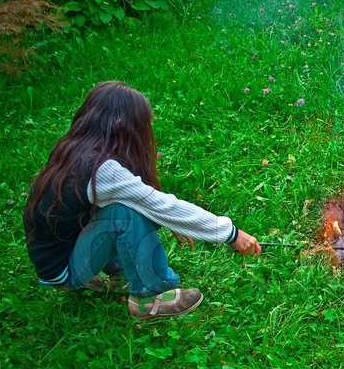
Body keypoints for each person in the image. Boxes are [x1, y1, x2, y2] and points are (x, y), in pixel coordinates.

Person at [23, 81, 262, 319]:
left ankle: (112, 272)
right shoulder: (100, 170)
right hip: (65, 269)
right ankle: (149, 296)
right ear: (122, 125)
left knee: (132, 206)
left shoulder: (76, 151)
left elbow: (145, 200)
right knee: (123, 214)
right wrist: (231, 234)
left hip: (67, 253)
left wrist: (170, 220)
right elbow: (160, 205)